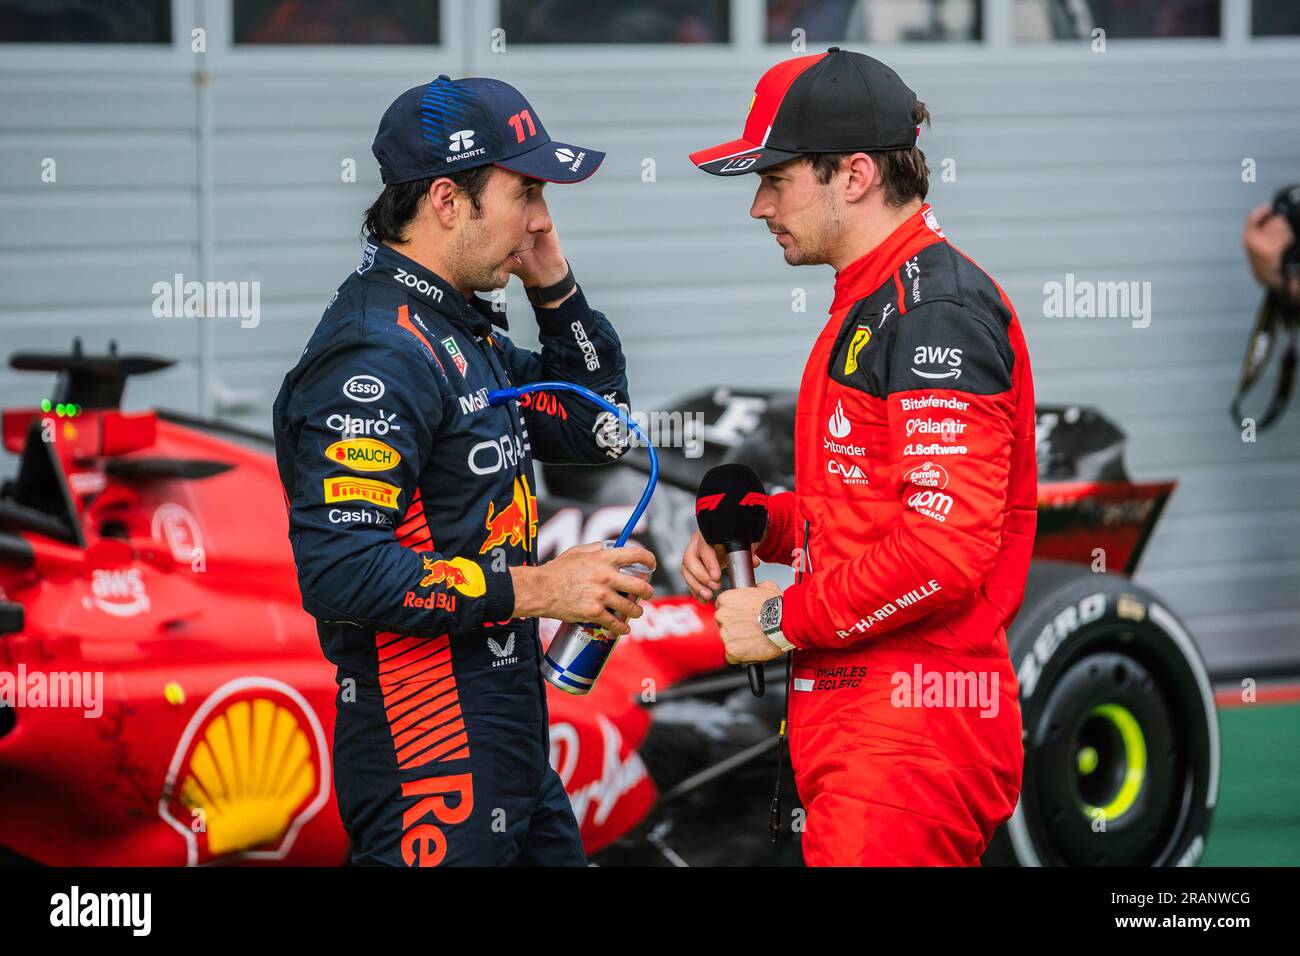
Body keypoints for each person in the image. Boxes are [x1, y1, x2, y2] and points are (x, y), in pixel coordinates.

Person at [272, 75, 654, 866]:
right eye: (526, 192)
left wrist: (552, 282)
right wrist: (544, 589)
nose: (542, 217)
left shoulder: (455, 329)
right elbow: (340, 571)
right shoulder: (377, 351)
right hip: (427, 745)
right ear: (448, 200)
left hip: (505, 728)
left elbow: (599, 428)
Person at [682, 49, 1036, 866]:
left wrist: (778, 617)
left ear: (855, 175)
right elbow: (874, 513)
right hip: (866, 717)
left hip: (910, 730)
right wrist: (761, 527)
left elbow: (946, 549)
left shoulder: (934, 311)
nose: (759, 205)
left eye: (775, 177)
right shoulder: (880, 300)